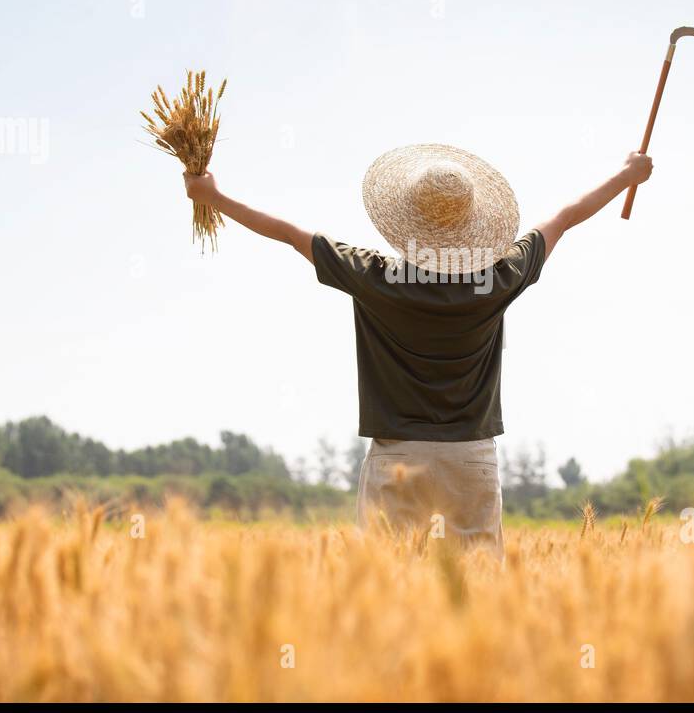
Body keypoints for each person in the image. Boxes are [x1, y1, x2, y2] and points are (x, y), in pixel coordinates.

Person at [184, 143, 653, 559]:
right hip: (471, 455)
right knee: (479, 588)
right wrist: (625, 176)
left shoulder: (374, 276)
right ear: (474, 226)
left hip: (398, 455)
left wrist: (214, 198)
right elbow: (564, 218)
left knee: (386, 588)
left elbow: (290, 233)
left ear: (404, 220)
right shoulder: (497, 278)